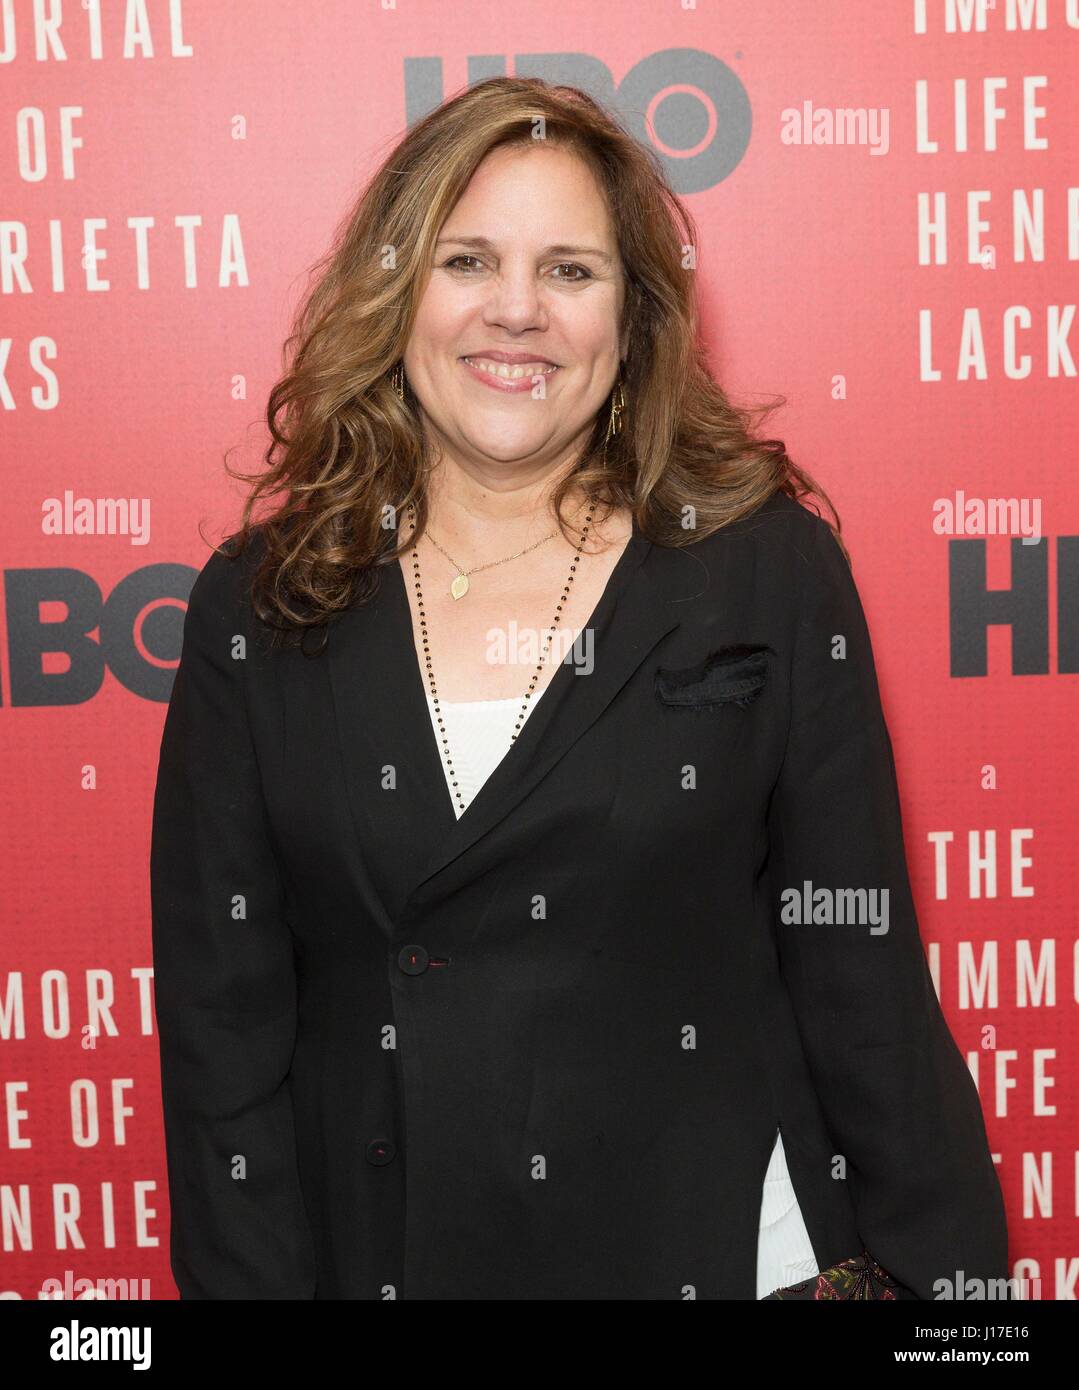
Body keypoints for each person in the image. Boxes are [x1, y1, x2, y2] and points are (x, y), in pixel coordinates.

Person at [150, 76, 1009, 1300]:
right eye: (467, 261)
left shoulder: (761, 569)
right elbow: (223, 1041)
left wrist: (962, 1305)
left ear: (634, 313)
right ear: (396, 293)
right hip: (395, 1253)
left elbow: (857, 971)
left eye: (569, 271)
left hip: (717, 1252)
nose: (516, 313)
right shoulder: (264, 606)